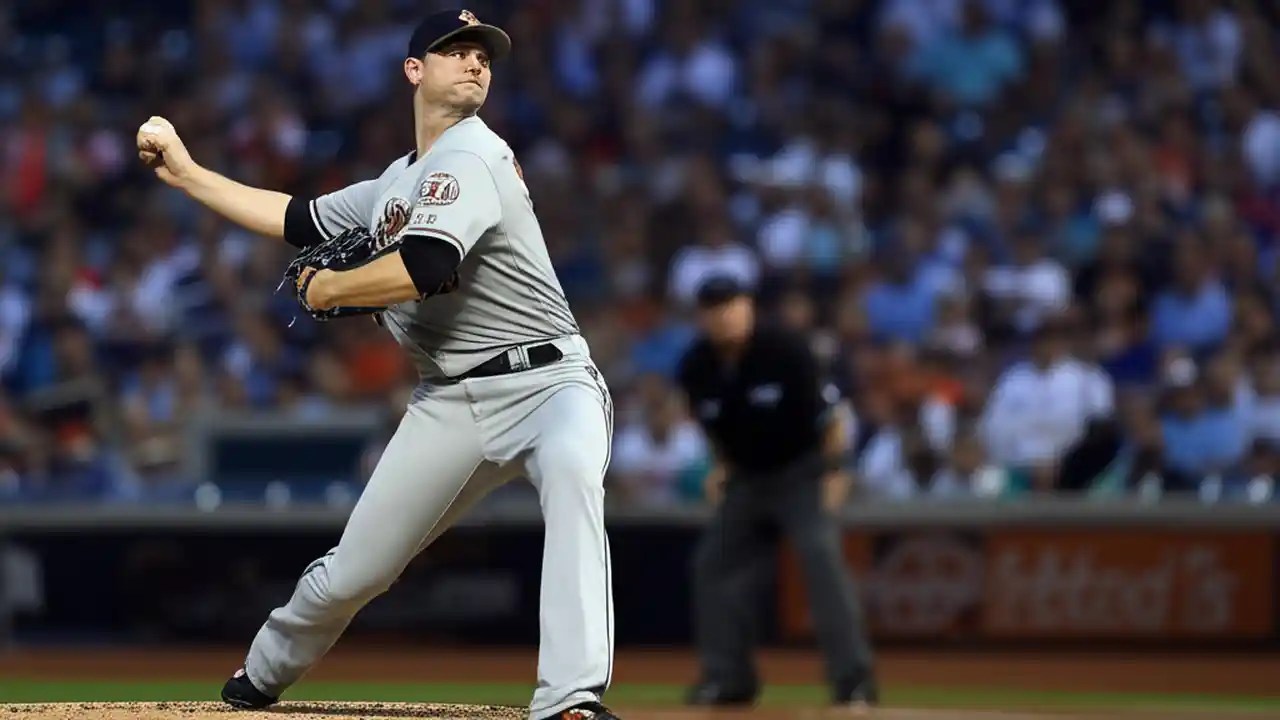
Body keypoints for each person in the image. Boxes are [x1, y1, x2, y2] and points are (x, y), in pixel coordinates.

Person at [136, 10, 619, 720]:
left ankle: (571, 696)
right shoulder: (398, 183)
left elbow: (426, 265)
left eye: (483, 55)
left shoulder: (474, 154)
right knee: (356, 571)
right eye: (456, 51)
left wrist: (330, 287)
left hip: (550, 382)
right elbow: (295, 217)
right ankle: (263, 670)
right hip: (449, 400)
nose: (476, 62)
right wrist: (189, 176)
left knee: (574, 478)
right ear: (414, 70)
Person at [675, 275, 878, 708]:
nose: (723, 315)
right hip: (747, 481)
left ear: (749, 308)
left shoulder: (785, 349)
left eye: (731, 304)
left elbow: (833, 417)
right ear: (701, 317)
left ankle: (853, 680)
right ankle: (727, 679)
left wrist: (836, 472)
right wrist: (721, 467)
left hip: (801, 475)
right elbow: (712, 425)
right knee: (711, 564)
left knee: (821, 561)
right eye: (713, 308)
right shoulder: (696, 364)